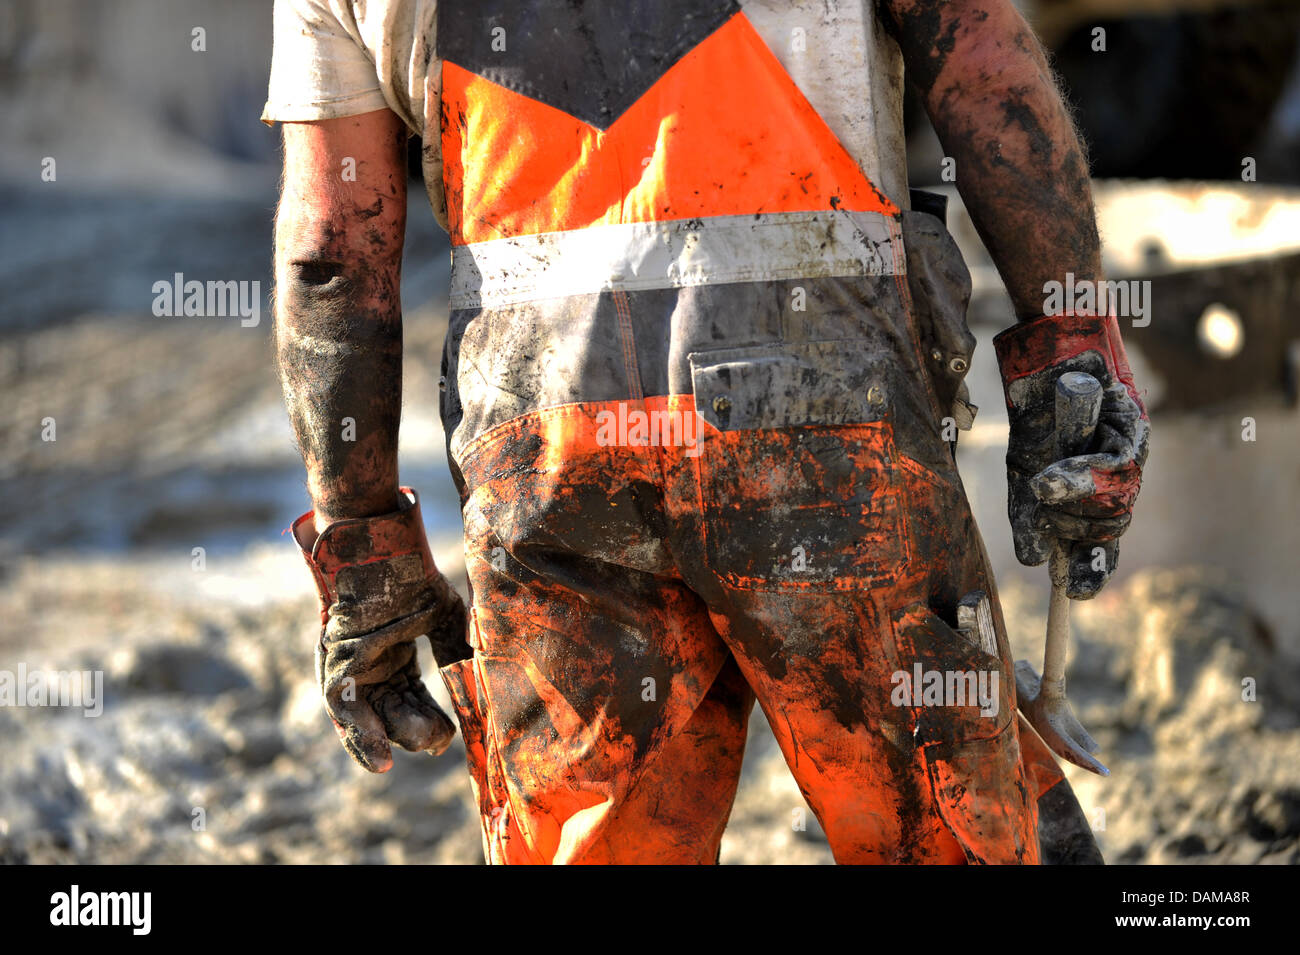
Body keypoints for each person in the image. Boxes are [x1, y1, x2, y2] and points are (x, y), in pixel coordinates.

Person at [264, 0, 1148, 864]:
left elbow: (333, 251)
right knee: (938, 824)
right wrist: (1069, 348)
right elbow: (980, 63)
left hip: (545, 441)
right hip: (816, 406)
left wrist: (365, 554)